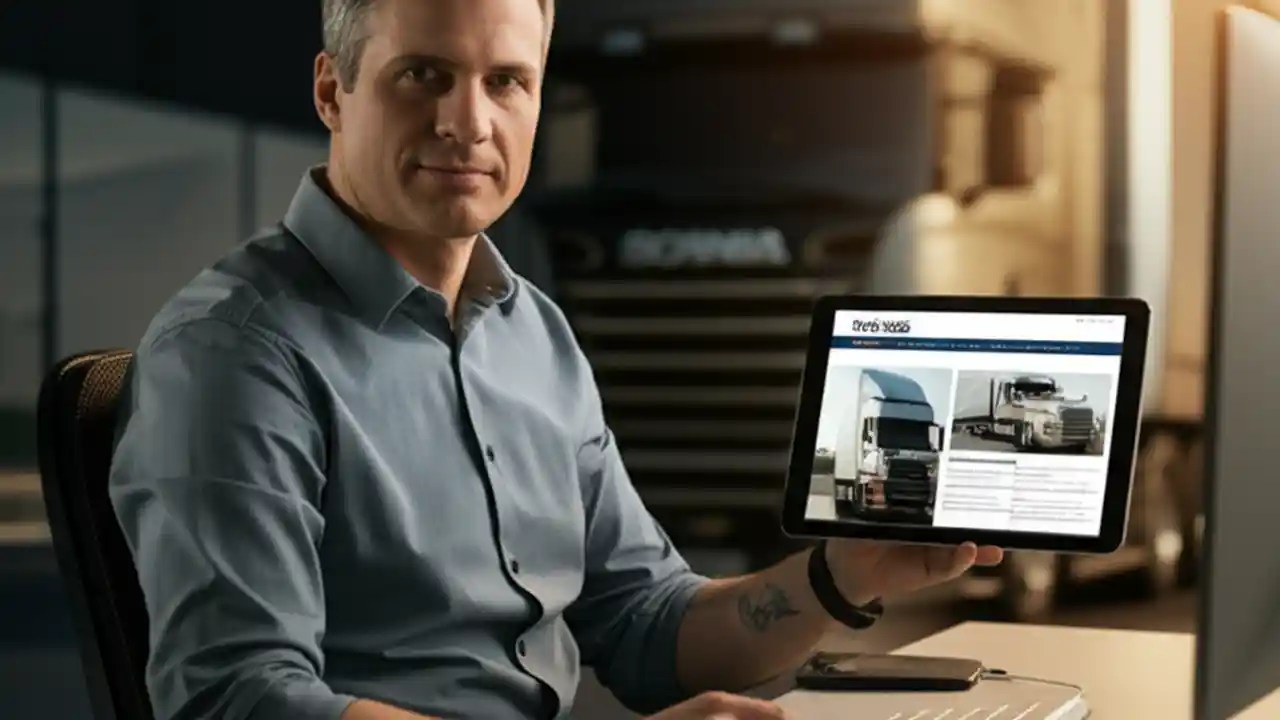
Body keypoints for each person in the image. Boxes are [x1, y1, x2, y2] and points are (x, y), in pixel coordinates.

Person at [107, 1, 1003, 719]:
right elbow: (236, 697)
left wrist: (842, 575)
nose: (469, 122)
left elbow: (648, 627)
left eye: (507, 81)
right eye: (424, 75)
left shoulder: (530, 331)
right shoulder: (234, 353)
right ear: (332, 90)